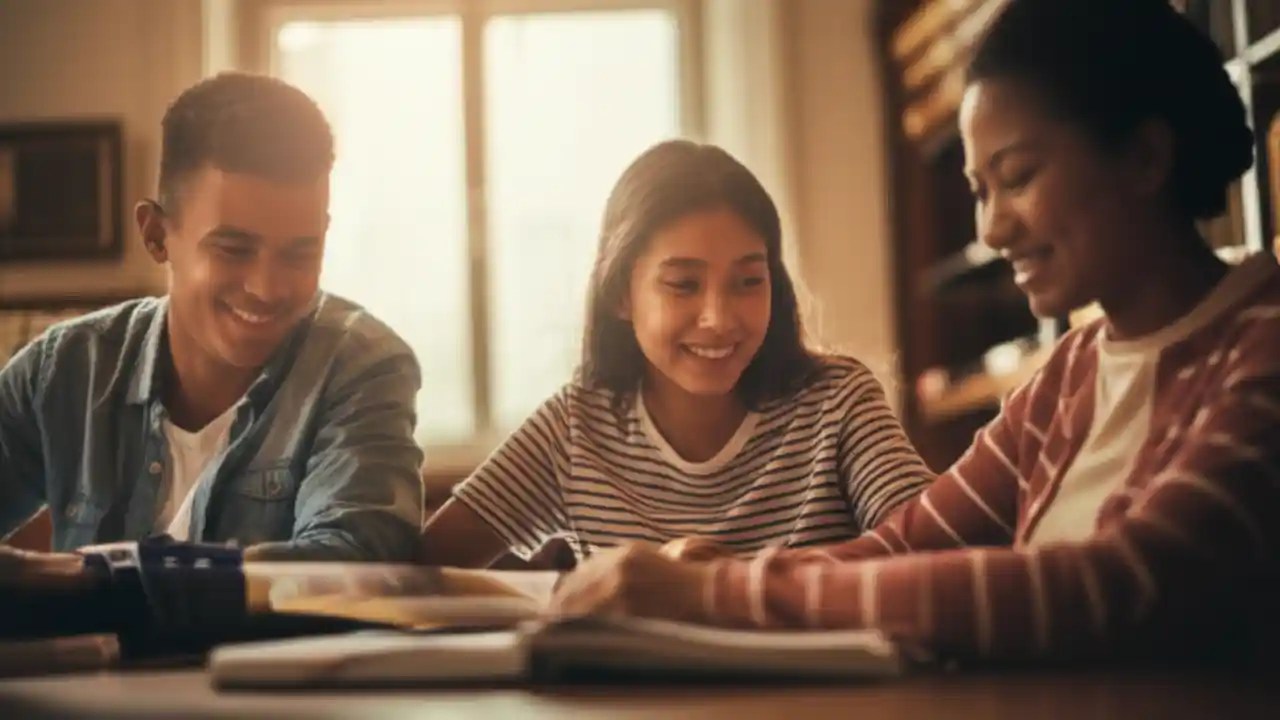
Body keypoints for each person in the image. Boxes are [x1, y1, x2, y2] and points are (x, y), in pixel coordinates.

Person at [549, 0, 1280, 663]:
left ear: (1145, 158)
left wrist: (719, 597)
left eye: (1018, 177)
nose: (992, 230)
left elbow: (1115, 584)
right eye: (979, 191)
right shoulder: (1073, 371)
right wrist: (717, 580)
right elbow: (908, 542)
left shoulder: (1263, 346)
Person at [421, 140, 933, 567]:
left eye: (749, 281)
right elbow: (415, 571)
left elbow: (936, 547)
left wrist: (721, 583)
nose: (719, 317)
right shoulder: (576, 426)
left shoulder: (838, 401)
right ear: (621, 292)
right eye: (684, 285)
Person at [0, 73, 424, 561]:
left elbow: (354, 567)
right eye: (233, 249)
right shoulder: (63, 370)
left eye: (299, 254)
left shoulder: (361, 368)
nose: (268, 288)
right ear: (157, 234)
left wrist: (83, 579)